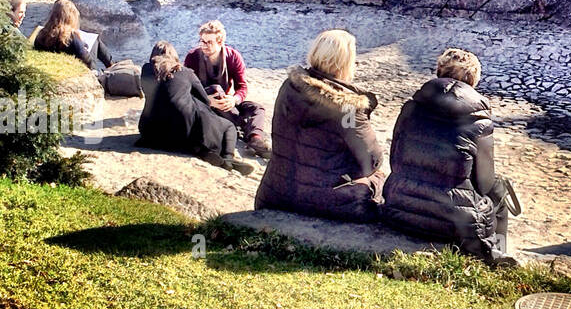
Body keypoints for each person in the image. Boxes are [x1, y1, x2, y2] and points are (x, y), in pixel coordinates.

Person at [382, 48, 517, 264]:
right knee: (499, 191)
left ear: (439, 73)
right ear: (473, 81)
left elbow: (395, 161)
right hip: (452, 225)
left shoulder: (410, 108)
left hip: (399, 210)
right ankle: (497, 254)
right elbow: (484, 184)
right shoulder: (479, 123)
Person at [255, 30, 386, 221]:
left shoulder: (289, 87)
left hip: (275, 194)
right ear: (346, 62)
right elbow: (372, 161)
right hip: (321, 202)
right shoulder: (348, 106)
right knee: (379, 178)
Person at [137, 42, 255, 175]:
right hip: (182, 128)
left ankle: (200, 149)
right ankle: (228, 158)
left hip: (150, 130)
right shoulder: (186, 72)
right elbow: (204, 99)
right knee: (228, 126)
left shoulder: (146, 70)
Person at [182, 20, 271, 157]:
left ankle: (255, 139)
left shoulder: (233, 57)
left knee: (257, 108)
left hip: (227, 103)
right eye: (202, 41)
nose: (204, 45)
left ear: (220, 42)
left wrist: (233, 99)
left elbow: (242, 86)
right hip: (202, 103)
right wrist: (207, 100)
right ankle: (242, 126)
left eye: (209, 42)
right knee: (215, 89)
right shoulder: (192, 57)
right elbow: (186, 87)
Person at [32, 0, 113, 70]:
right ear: (71, 17)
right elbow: (88, 61)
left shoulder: (41, 34)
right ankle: (111, 65)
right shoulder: (70, 36)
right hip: (79, 68)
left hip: (53, 66)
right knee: (95, 40)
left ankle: (111, 64)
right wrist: (81, 42)